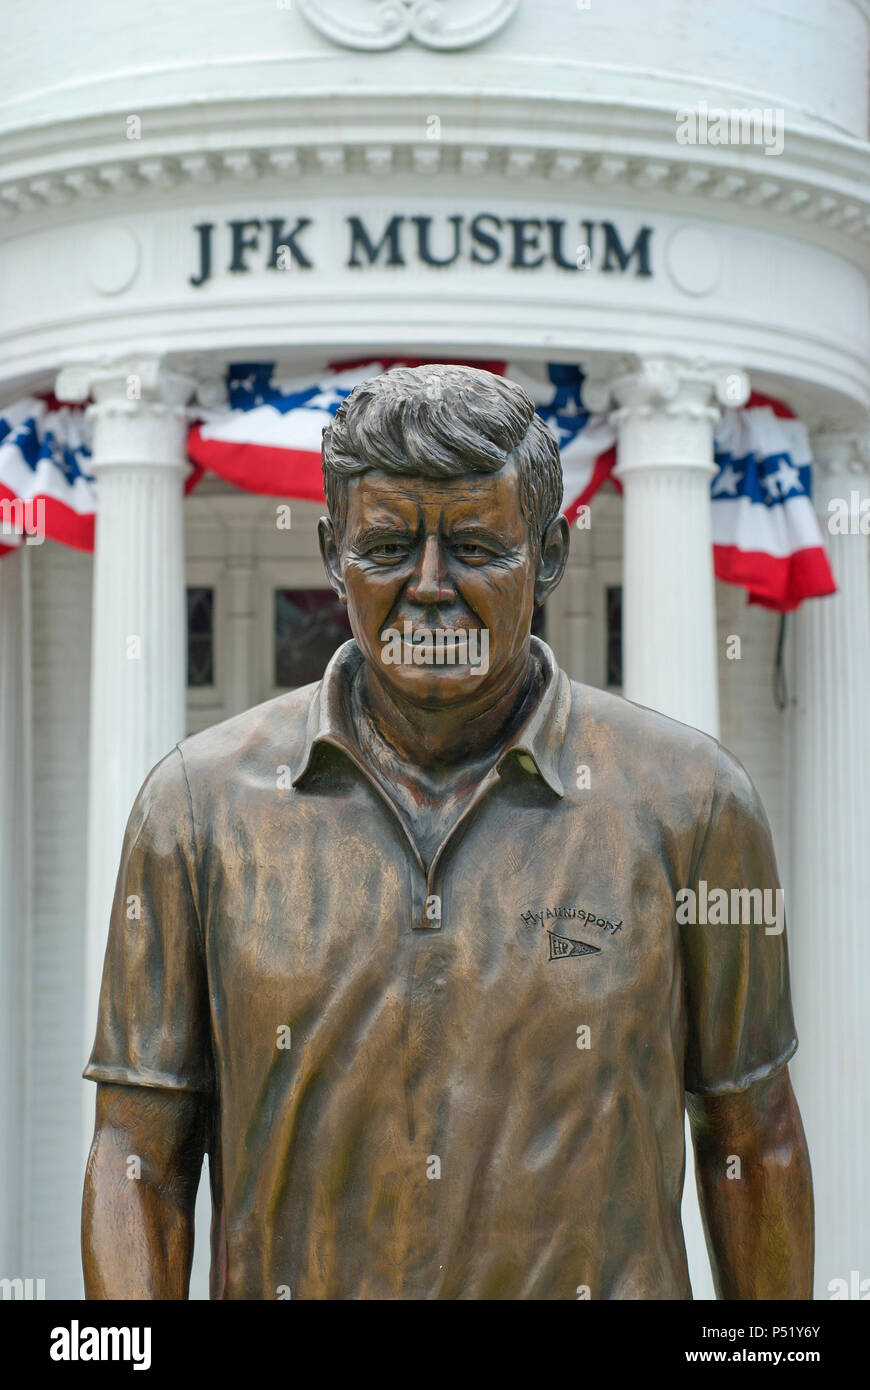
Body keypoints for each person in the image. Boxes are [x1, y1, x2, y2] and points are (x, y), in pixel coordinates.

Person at [82, 363, 813, 1299]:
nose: (430, 588)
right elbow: (136, 1159)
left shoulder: (695, 804)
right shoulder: (195, 808)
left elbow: (757, 1142)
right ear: (329, 551)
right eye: (387, 547)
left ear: (548, 554)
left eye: (475, 545)